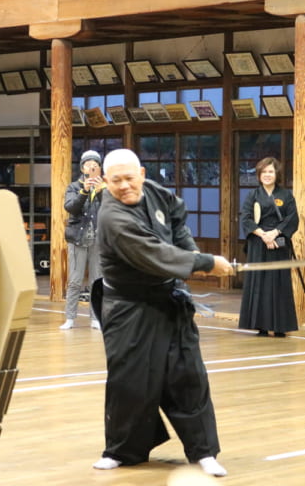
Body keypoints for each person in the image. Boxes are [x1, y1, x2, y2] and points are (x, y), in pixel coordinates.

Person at [92, 149, 234, 477]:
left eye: (130, 178)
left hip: (168, 298)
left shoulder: (156, 191)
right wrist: (206, 263)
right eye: (116, 181)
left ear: (141, 173)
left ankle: (203, 451)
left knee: (188, 375)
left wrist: (193, 251)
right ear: (105, 182)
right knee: (131, 381)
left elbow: (176, 219)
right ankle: (121, 450)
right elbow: (154, 254)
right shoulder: (112, 217)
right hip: (129, 307)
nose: (125, 186)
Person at [238, 157, 299, 337]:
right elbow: (246, 218)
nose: (267, 175)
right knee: (259, 282)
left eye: (270, 172)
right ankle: (261, 325)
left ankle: (280, 326)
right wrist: (263, 235)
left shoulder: (286, 195)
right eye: (264, 172)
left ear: (277, 174)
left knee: (279, 282)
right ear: (259, 174)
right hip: (258, 243)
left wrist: (275, 232)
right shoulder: (253, 195)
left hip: (278, 243)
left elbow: (292, 218)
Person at [60, 150, 105, 330]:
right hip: (78, 239)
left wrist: (101, 191)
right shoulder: (73, 187)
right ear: (82, 167)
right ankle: (70, 318)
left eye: (95, 164)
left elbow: (110, 208)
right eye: (88, 164)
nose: (92, 167)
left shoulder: (104, 187)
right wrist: (84, 191)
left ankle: (95, 318)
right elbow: (71, 207)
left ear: (99, 168)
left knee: (96, 280)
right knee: (75, 280)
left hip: (97, 240)